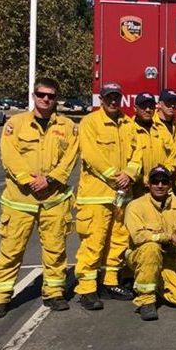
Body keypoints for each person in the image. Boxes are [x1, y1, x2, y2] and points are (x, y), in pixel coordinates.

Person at [0, 78, 79, 318]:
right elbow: (10, 156)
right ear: (33, 95)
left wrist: (48, 180)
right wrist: (29, 180)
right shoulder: (15, 124)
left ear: (56, 98)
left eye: (51, 95)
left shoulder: (68, 126)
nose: (46, 99)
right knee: (11, 249)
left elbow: (69, 159)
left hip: (54, 199)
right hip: (21, 200)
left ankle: (54, 292)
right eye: (41, 94)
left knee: (55, 250)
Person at [74, 82, 144, 309]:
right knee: (93, 243)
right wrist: (116, 176)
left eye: (116, 97)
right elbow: (91, 155)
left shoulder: (127, 124)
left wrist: (131, 174)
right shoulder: (90, 122)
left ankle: (110, 282)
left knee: (118, 240)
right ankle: (86, 289)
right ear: (101, 99)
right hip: (97, 196)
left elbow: (138, 153)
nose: (113, 101)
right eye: (109, 97)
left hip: (122, 195)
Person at [124, 165, 176, 321]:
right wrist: (169, 237)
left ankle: (152, 281)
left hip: (167, 258)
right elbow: (138, 237)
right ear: (148, 184)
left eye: (164, 181)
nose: (160, 185)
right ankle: (146, 300)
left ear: (170, 185)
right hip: (140, 256)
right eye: (155, 181)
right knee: (151, 247)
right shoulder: (136, 206)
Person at [132, 92, 176, 196]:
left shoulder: (162, 129)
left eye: (151, 106)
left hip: (161, 188)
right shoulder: (128, 129)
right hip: (137, 190)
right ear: (135, 108)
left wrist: (162, 174)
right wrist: (143, 179)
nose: (148, 110)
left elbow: (173, 155)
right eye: (143, 106)